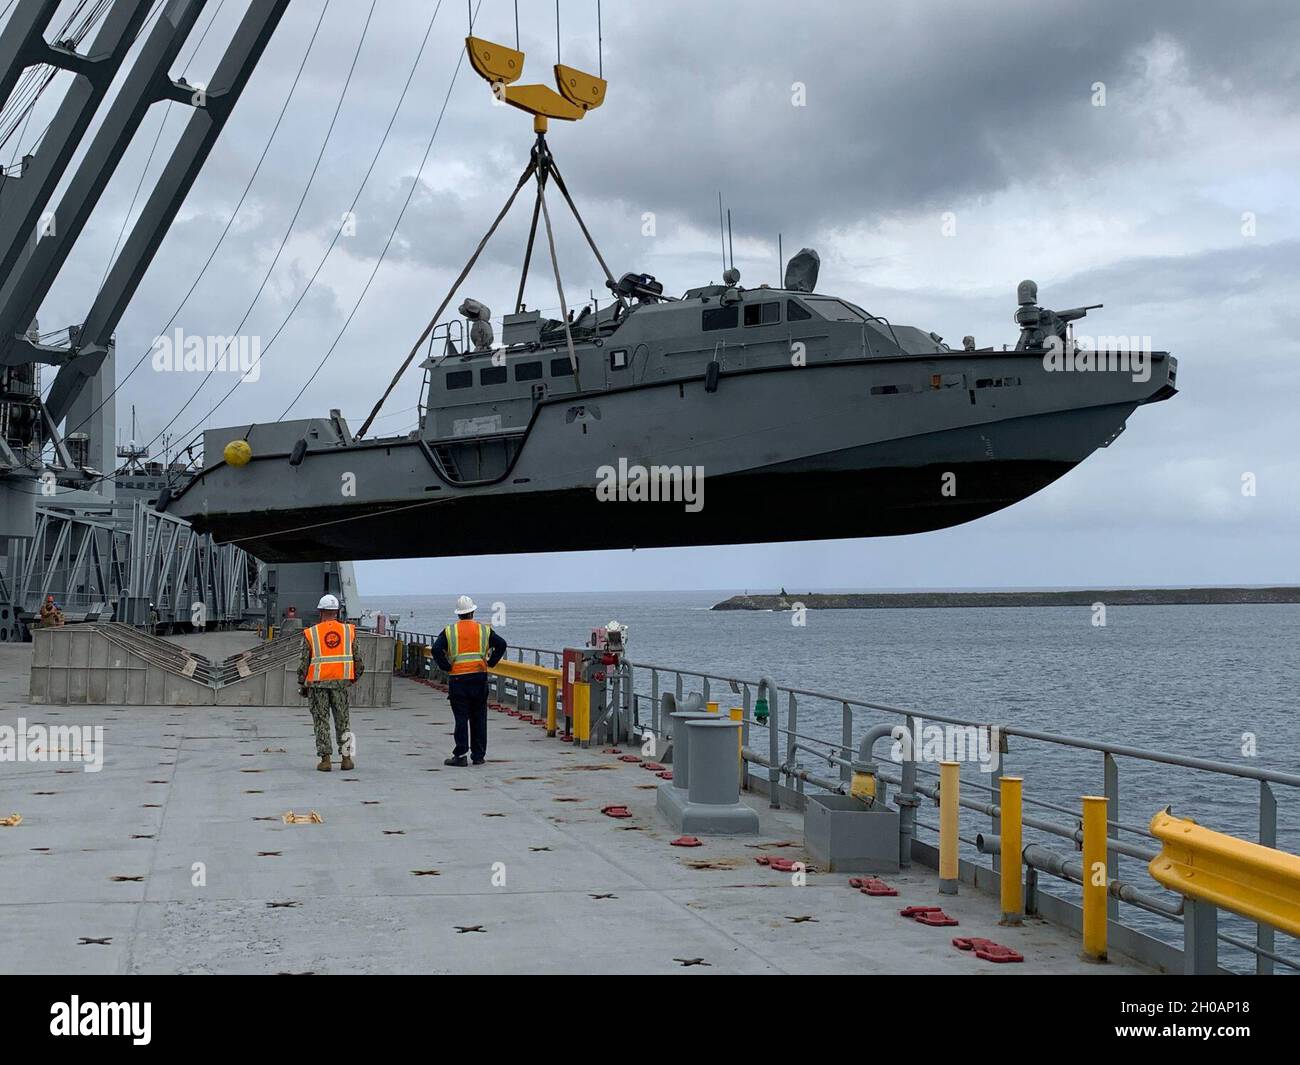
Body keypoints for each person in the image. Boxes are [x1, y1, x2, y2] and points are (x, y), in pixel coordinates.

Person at [432, 596, 506, 766]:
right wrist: (491, 662)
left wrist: (446, 666)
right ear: (472, 611)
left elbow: (436, 649)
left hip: (458, 680)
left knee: (461, 718)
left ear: (458, 614)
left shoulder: (450, 631)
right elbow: (501, 644)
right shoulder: (483, 630)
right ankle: (478, 756)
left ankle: (460, 755)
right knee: (479, 717)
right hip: (479, 677)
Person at [297, 593, 364, 772]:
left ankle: (325, 760)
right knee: (343, 721)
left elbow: (304, 662)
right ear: (337, 611)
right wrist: (352, 678)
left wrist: (303, 684)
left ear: (320, 612)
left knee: (321, 722)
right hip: (341, 685)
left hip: (318, 685)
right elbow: (358, 660)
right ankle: (347, 759)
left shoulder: (311, 633)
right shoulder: (348, 631)